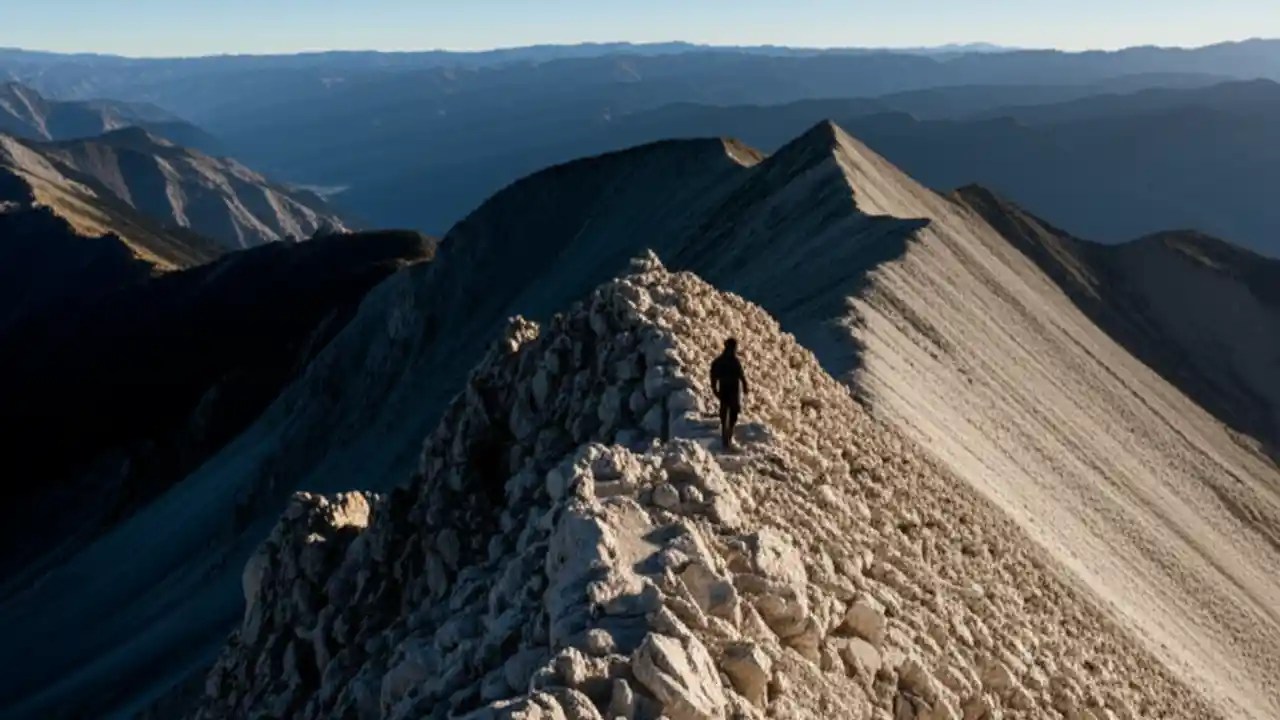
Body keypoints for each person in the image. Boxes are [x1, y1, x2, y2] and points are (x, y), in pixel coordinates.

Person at [710, 337, 748, 449]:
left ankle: (727, 436)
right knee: (731, 413)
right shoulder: (731, 361)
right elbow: (741, 376)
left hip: (727, 389)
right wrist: (745, 387)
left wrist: (714, 388)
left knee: (730, 413)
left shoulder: (722, 361)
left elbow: (713, 376)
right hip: (730, 389)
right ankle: (727, 436)